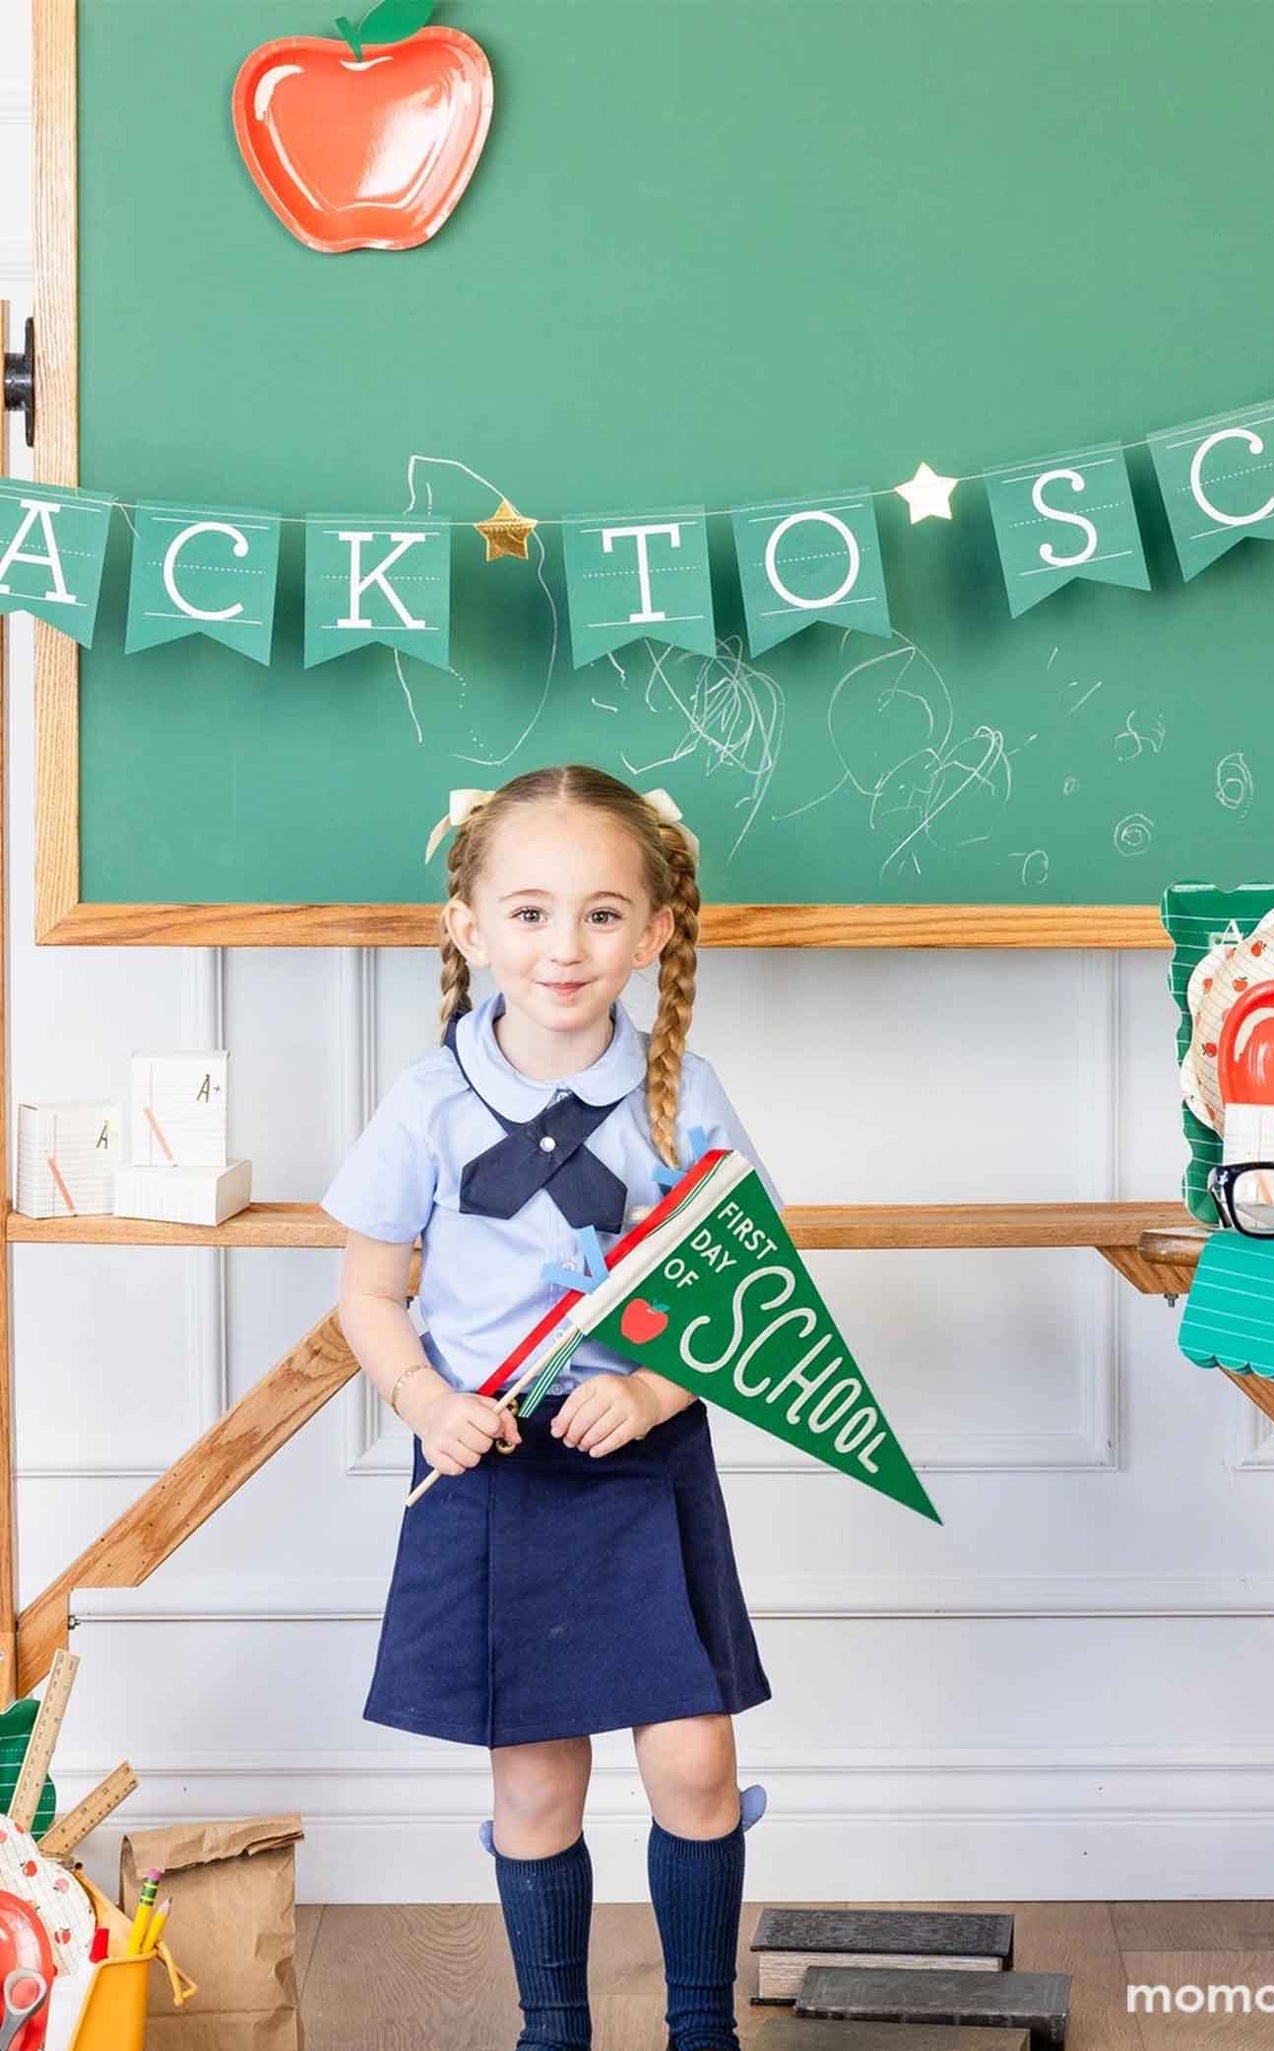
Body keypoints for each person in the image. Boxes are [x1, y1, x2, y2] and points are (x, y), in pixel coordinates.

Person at [324, 765, 776, 2051]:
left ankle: (702, 2023)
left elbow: (736, 1294)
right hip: (494, 1465)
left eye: (597, 914)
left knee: (692, 1757)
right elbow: (370, 1292)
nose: (562, 947)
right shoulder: (427, 1099)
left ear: (654, 932)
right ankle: (552, 2027)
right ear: (468, 926)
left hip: (640, 1461)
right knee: (535, 1775)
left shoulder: (680, 1094)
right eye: (527, 913)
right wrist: (423, 1397)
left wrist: (645, 1387)